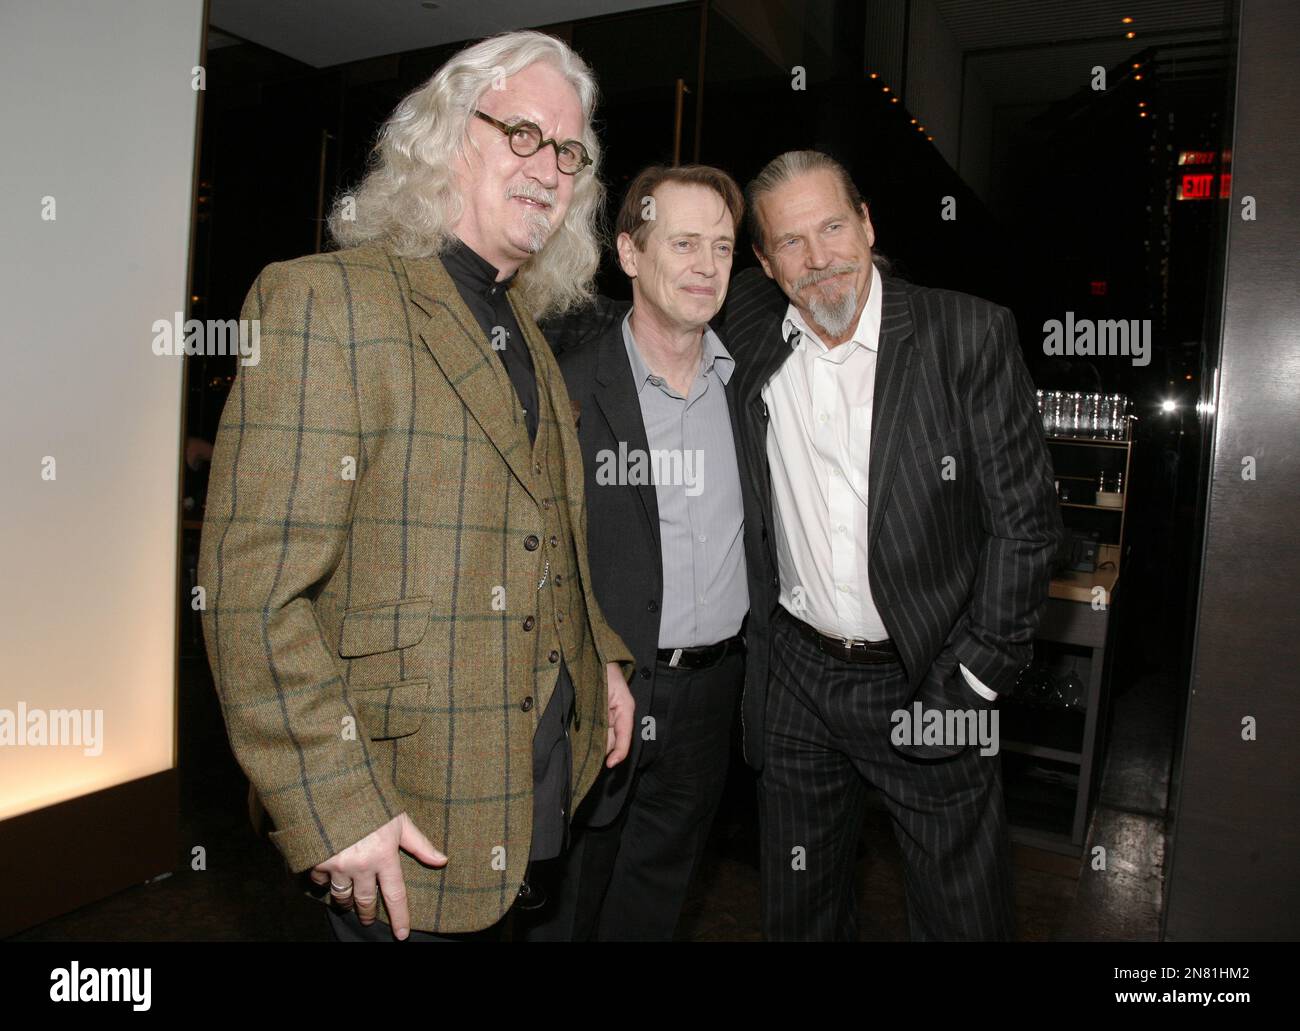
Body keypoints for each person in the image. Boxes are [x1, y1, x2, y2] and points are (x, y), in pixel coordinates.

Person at [197, 30, 635, 942]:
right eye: (521, 132)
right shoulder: (326, 303)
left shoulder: (529, 336)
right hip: (401, 807)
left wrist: (599, 657)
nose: (548, 167)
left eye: (568, 151)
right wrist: (331, 803)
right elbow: (251, 593)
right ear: (445, 134)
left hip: (528, 792)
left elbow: (547, 536)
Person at [720, 150, 1064, 941]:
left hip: (928, 673)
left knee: (961, 914)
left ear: (868, 225)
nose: (819, 258)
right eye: (792, 243)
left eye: (833, 227)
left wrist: (972, 682)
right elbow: (659, 300)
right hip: (799, 681)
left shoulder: (965, 334)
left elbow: (1026, 525)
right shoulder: (748, 327)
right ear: (766, 265)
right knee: (799, 911)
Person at [523, 165, 753, 940]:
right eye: (683, 242)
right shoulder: (568, 388)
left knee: (654, 909)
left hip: (709, 698)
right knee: (566, 910)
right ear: (629, 251)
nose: (706, 264)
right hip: (600, 692)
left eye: (722, 245)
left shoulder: (750, 388)